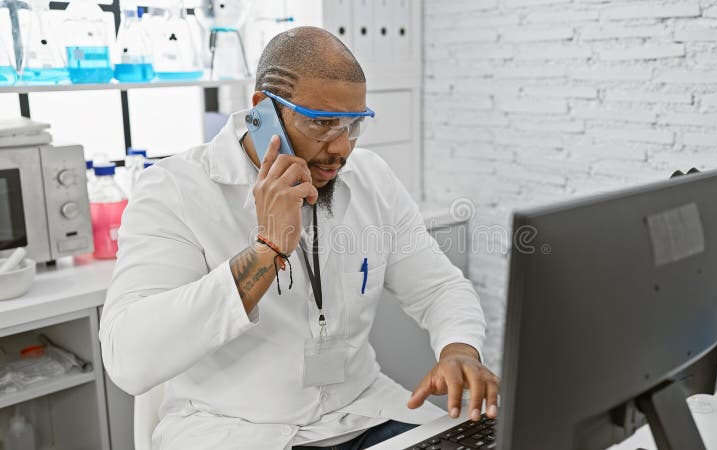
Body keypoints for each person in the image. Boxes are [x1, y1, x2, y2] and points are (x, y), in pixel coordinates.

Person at [99, 26, 498, 450]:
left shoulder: (371, 178)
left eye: (353, 125)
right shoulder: (175, 190)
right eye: (322, 124)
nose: (342, 148)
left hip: (362, 412)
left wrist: (460, 350)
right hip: (235, 430)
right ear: (262, 110)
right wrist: (266, 250)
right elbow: (130, 360)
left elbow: (439, 286)